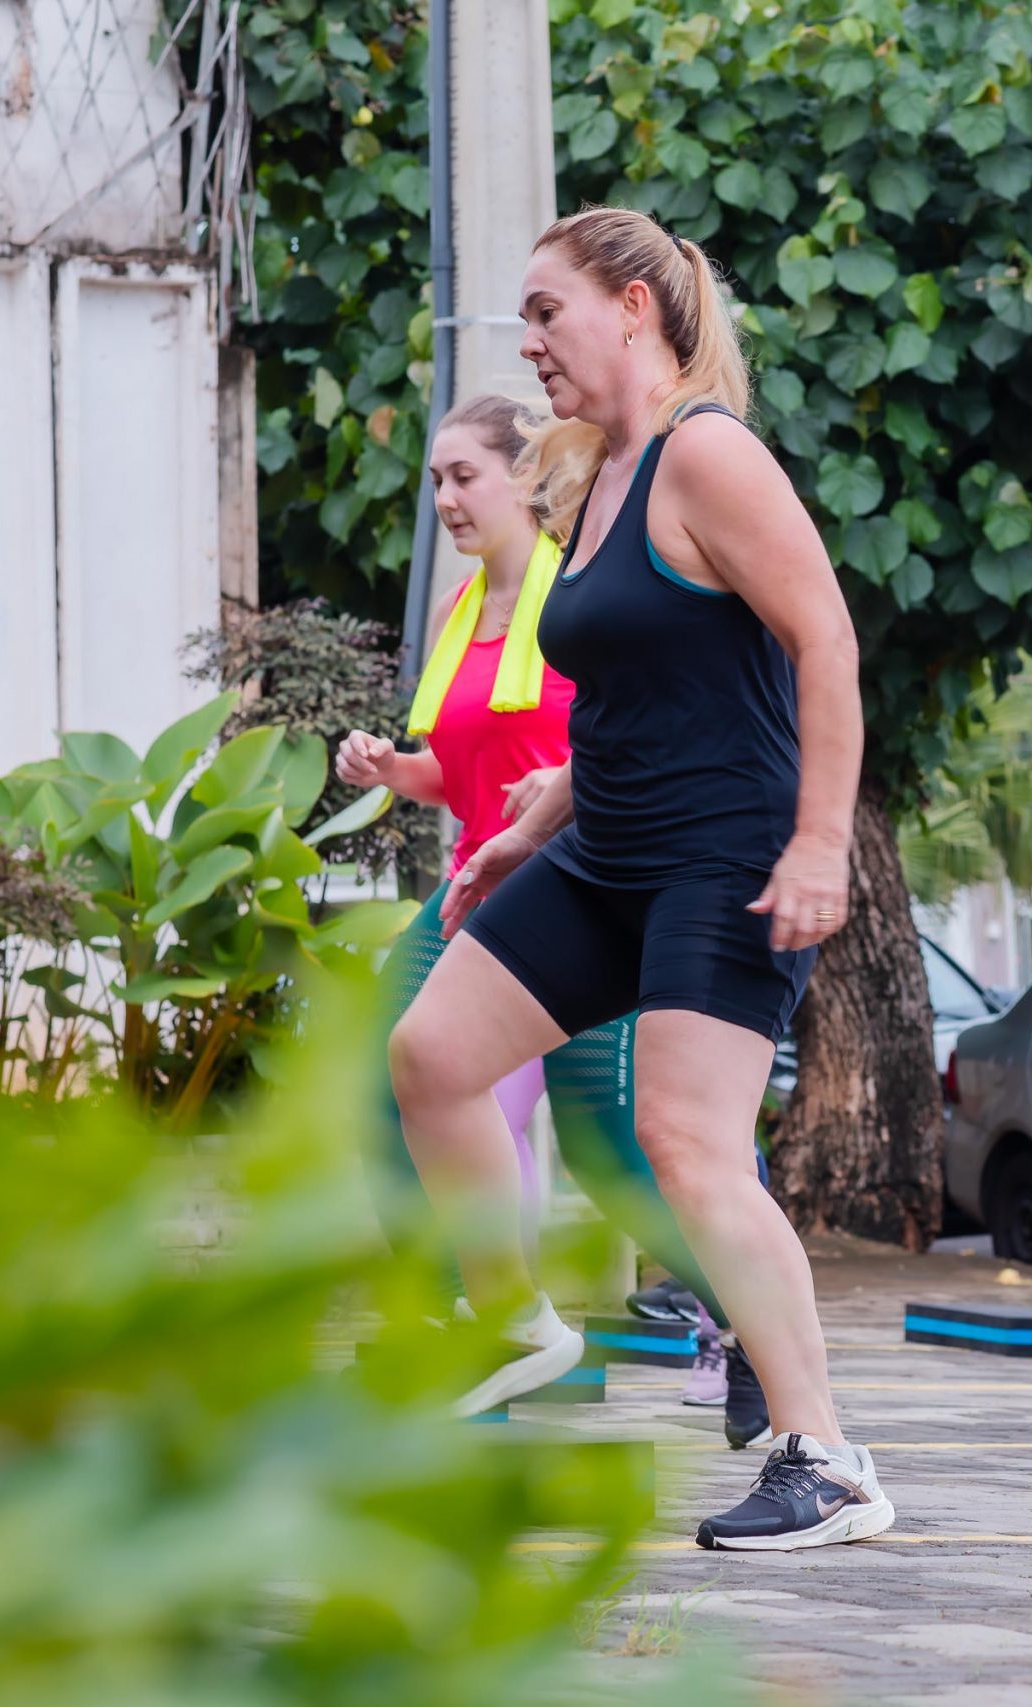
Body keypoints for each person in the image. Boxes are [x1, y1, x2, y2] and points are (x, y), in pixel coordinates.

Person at [391, 206, 887, 1551]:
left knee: (687, 1138)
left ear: (631, 304)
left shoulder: (704, 454)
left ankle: (825, 1453)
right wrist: (529, 820)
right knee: (431, 1055)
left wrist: (821, 841)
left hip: (724, 856)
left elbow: (824, 637)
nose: (528, 342)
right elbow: (631, 688)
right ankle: (512, 1321)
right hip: (604, 846)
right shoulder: (602, 471)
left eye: (545, 312)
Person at [337, 396, 772, 1446]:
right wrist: (398, 772)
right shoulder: (458, 617)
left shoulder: (576, 596)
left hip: (583, 885)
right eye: (433, 479)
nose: (443, 498)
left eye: (464, 476)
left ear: (524, 484)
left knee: (615, 1143)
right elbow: (461, 768)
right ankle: (484, 1317)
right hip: (475, 890)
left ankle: (753, 1323)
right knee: (382, 1085)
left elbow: (626, 729)